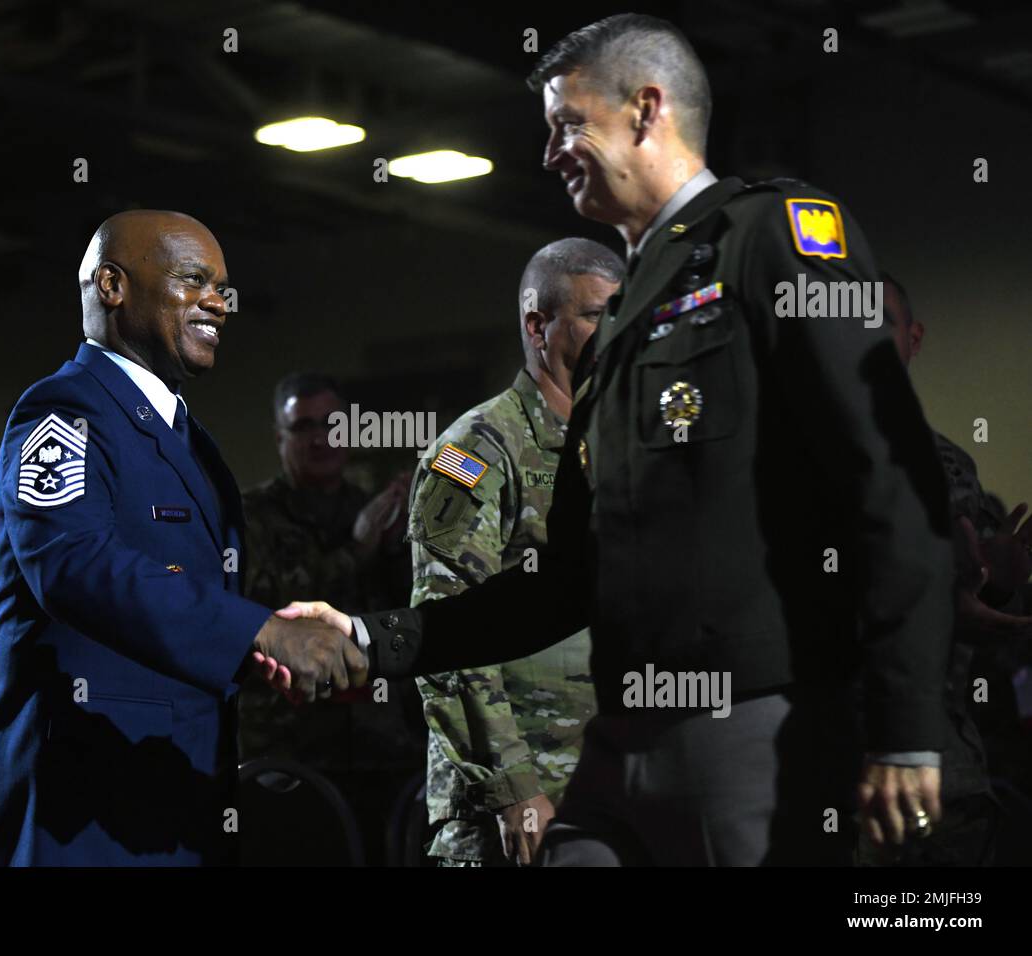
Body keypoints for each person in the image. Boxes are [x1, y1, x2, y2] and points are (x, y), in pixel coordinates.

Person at [262, 14, 956, 865]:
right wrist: (373, 638)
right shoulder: (624, 318)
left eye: (567, 124)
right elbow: (564, 584)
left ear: (645, 110)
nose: (550, 152)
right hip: (618, 742)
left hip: (746, 728)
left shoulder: (772, 239)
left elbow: (893, 480)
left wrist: (907, 728)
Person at [0, 211, 364, 866]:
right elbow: (73, 565)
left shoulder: (190, 439)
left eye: (221, 286)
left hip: (170, 800)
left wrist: (258, 654)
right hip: (68, 809)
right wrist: (258, 633)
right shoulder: (64, 410)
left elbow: (182, 609)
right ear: (113, 285)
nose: (219, 303)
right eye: (195, 280)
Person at [410, 238, 621, 866]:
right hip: (508, 806)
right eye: (592, 315)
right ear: (538, 325)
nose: (612, 332)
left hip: (605, 783)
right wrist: (513, 789)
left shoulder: (614, 445)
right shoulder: (473, 450)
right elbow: (444, 639)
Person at [874, 271, 1032, 865]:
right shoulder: (772, 455)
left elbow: (991, 620)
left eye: (879, 323)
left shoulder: (945, 463)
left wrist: (1006, 583)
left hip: (934, 762)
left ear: (912, 339)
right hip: (804, 760)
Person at [240, 371, 420, 863]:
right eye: (303, 427)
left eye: (332, 423)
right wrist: (357, 550)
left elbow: (408, 616)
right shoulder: (249, 517)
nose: (321, 437)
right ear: (280, 438)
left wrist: (405, 540)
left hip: (380, 752)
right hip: (288, 753)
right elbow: (270, 611)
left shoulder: (373, 509)